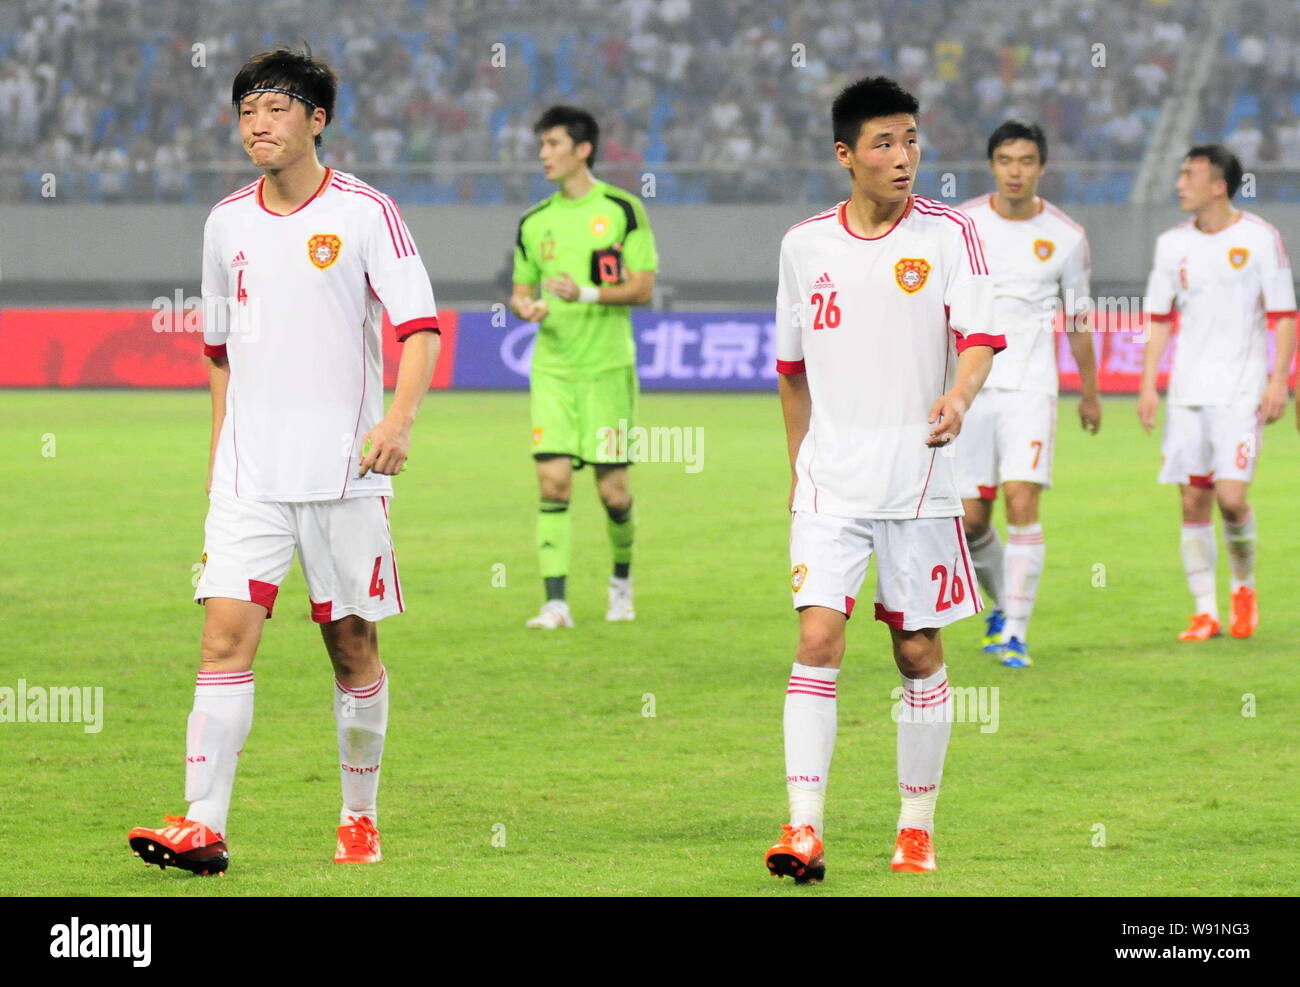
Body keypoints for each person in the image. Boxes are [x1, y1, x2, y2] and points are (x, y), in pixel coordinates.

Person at [127, 46, 442, 874]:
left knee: (352, 648)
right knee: (223, 636)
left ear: (317, 120)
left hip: (344, 474)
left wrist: (399, 422)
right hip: (248, 477)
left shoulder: (368, 212)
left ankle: (359, 815)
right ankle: (203, 822)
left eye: (274, 109)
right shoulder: (225, 222)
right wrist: (217, 452)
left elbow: (420, 330)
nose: (257, 125)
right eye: (246, 113)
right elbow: (219, 352)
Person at [765, 77, 1003, 882]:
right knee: (817, 639)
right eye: (883, 143)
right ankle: (803, 829)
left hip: (920, 482)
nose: (903, 157)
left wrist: (959, 395)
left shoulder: (950, 236)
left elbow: (978, 337)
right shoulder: (804, 247)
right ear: (845, 155)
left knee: (916, 650)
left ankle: (914, 826)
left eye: (911, 140)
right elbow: (791, 371)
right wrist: (800, 468)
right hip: (831, 483)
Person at [954, 121, 1100, 668]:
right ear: (993, 164)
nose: (1016, 171)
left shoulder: (1066, 236)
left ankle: (1015, 630)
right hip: (970, 386)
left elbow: (1079, 320)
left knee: (1021, 499)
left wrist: (1088, 391)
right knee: (970, 522)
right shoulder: (963, 223)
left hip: (1031, 388)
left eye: (1026, 161)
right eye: (1006, 160)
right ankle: (1002, 607)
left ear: (1041, 167)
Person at [509, 105, 658, 629]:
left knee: (613, 493)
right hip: (552, 370)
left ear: (582, 150)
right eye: (542, 145)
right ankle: (555, 603)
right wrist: (526, 308)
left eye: (553, 144)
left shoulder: (622, 210)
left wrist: (585, 292)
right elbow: (520, 290)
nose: (544, 154)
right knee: (552, 484)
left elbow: (642, 289)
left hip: (608, 370)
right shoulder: (534, 221)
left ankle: (621, 582)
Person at [1140, 145, 1295, 641]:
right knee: (1191, 502)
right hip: (1187, 393)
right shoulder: (1171, 244)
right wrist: (1148, 385)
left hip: (1241, 391)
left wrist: (1278, 379)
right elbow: (1160, 320)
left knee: (1230, 499)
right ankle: (1205, 611)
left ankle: (1243, 587)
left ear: (1218, 185)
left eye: (1190, 175)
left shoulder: (1259, 239)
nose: (1180, 182)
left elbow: (1283, 315)